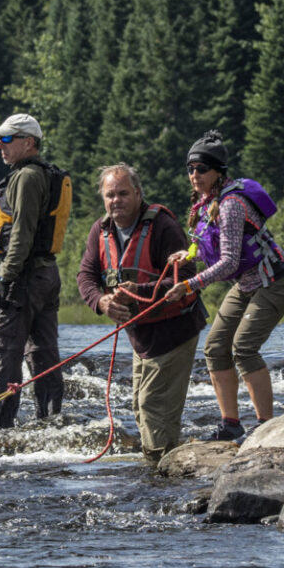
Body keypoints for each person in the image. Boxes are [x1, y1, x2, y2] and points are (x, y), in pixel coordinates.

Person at [162, 130, 284, 441]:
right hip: (249, 283)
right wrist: (189, 253)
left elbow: (229, 263)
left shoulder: (231, 205)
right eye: (190, 169)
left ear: (218, 173)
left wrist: (190, 285)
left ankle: (266, 426)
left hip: (274, 280)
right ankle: (230, 424)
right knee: (214, 348)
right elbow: (207, 244)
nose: (194, 175)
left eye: (202, 169)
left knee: (244, 348)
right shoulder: (205, 204)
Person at [76, 164, 207, 464]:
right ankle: (159, 468)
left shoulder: (162, 225)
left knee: (152, 405)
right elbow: (85, 276)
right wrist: (101, 302)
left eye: (123, 193)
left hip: (176, 328)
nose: (115, 201)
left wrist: (141, 291)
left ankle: (162, 475)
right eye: (109, 195)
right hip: (140, 334)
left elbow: (186, 279)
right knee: (140, 406)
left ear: (137, 194)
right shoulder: (100, 229)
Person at [0, 113, 70, 428]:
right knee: (44, 352)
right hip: (47, 275)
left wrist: (5, 279)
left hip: (23, 278)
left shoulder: (27, 177)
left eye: (7, 139)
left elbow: (22, 234)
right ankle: (51, 424)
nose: (0, 145)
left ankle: (0, 428)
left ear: (29, 142)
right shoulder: (43, 175)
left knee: (3, 350)